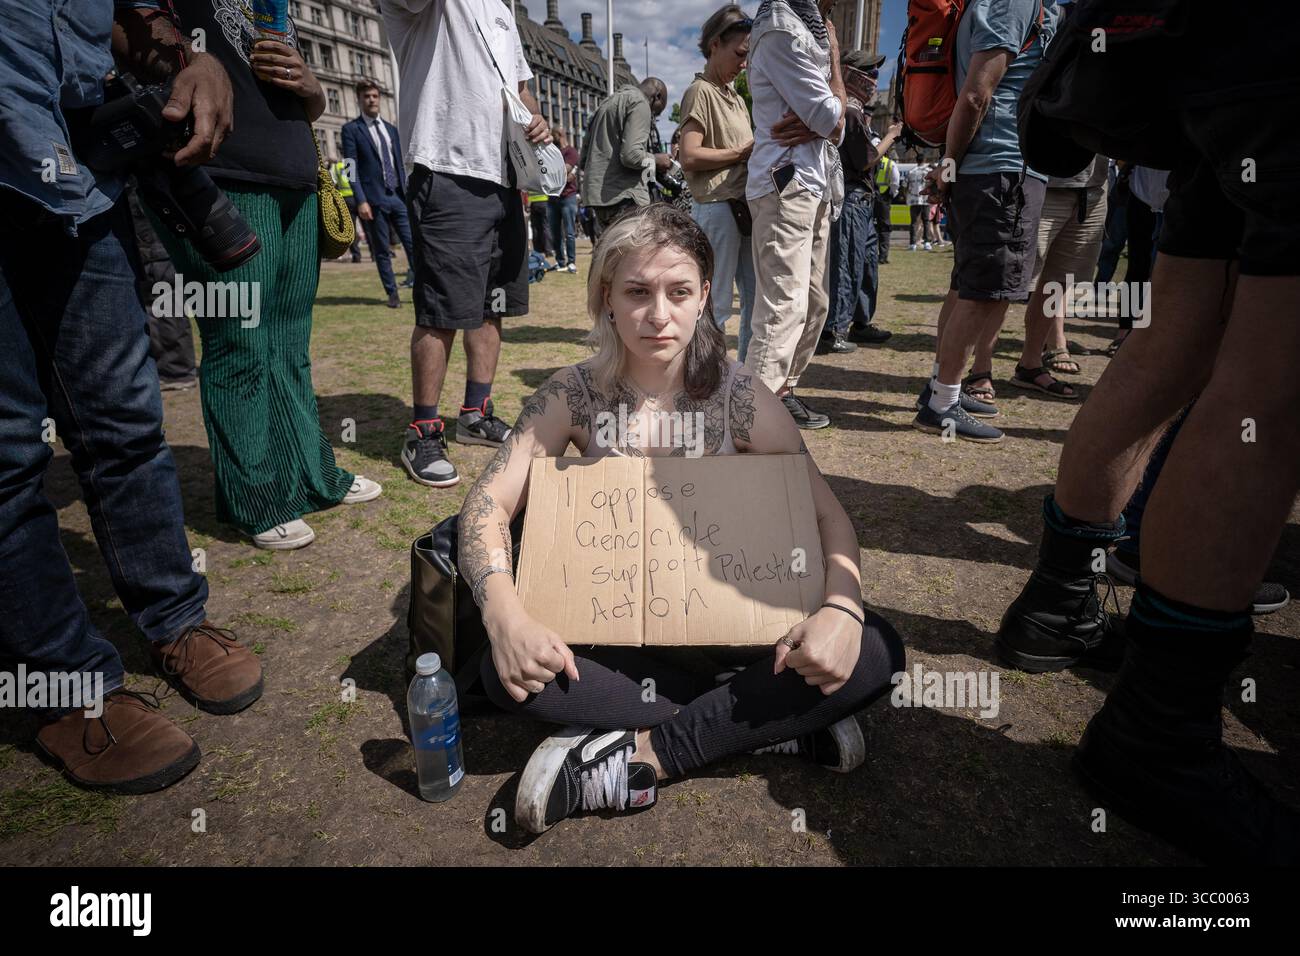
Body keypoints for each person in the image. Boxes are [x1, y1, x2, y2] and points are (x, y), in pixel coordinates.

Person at [455, 204, 904, 833]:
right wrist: (504, 615)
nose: (658, 315)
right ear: (605, 298)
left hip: (743, 641)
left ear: (703, 299)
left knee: (876, 652)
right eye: (637, 292)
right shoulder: (572, 393)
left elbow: (829, 517)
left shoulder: (743, 397)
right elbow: (488, 502)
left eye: (678, 292)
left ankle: (637, 758)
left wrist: (842, 610)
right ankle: (772, 726)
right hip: (619, 645)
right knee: (511, 677)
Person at [997, 1, 1299, 864]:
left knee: (1177, 340)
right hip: (1272, 59)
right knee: (1272, 376)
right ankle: (1158, 732)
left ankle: (1057, 606)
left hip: (1222, 53)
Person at [1, 0, 263, 795]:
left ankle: (176, 620)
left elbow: (130, 15)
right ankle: (63, 686)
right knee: (9, 454)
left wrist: (193, 57)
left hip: (80, 168)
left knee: (125, 423)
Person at [140, 0, 382, 551]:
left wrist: (312, 85)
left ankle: (314, 476)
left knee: (291, 342)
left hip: (294, 173)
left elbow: (309, 102)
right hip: (215, 170)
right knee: (239, 341)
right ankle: (256, 496)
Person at [381, 0, 550, 489]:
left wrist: (534, 121)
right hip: (447, 168)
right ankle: (423, 429)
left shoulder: (503, 12)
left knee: (491, 303)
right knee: (442, 308)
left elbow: (521, 93)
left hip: (504, 175)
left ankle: (475, 413)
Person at [911, 0, 1057, 444]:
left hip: (993, 168)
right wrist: (949, 164)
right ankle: (943, 404)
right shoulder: (1013, 2)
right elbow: (977, 93)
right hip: (1003, 168)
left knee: (968, 286)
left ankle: (941, 388)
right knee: (986, 291)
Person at [744, 0, 847, 430]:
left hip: (813, 182)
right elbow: (830, 116)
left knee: (815, 303)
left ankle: (782, 392)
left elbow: (834, 124)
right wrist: (836, 80)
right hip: (786, 185)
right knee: (783, 303)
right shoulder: (781, 27)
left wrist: (831, 117)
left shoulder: (809, 28)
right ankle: (750, 415)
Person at [678, 5, 757, 362]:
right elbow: (689, 156)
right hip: (716, 208)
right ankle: (705, 375)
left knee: (756, 299)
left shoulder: (737, 98)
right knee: (717, 301)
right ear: (714, 45)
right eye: (740, 52)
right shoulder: (700, 91)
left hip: (743, 208)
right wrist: (739, 153)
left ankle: (741, 376)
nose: (744, 62)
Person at [822, 49, 899, 354]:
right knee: (846, 265)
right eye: (869, 73)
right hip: (851, 198)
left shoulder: (857, 111)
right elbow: (866, 160)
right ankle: (834, 330)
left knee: (866, 264)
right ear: (850, 73)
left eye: (876, 74)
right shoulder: (850, 112)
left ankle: (861, 322)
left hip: (863, 201)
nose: (873, 80)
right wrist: (890, 136)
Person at [342, 80, 416, 308]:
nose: (372, 100)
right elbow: (350, 166)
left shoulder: (391, 130)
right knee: (382, 250)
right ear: (360, 100)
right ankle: (392, 294)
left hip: (398, 197)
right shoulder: (351, 130)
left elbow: (401, 163)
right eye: (367, 96)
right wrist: (360, 199)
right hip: (373, 200)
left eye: (375, 96)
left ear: (379, 98)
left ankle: (421, 288)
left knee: (413, 245)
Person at [579, 77, 672, 234]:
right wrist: (657, 160)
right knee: (633, 255)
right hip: (624, 197)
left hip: (598, 197)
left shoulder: (605, 104)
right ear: (656, 97)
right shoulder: (640, 103)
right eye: (655, 113)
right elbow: (631, 155)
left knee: (611, 255)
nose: (652, 117)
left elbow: (583, 159)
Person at [547, 128, 581, 274]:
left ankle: (571, 262)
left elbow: (564, 170)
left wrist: (556, 173)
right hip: (553, 197)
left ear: (560, 135)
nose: (550, 137)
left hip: (568, 197)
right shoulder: (552, 152)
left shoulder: (571, 152)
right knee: (555, 232)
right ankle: (560, 262)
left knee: (569, 231)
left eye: (552, 134)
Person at [330, 157, 364, 263]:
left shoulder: (336, 167)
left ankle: (356, 255)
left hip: (345, 200)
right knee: (367, 226)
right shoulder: (353, 164)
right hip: (358, 197)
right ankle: (374, 253)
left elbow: (333, 182)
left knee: (351, 228)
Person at [873, 148, 898, 263]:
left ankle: (870, 254)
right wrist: (891, 195)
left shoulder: (870, 161)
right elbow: (895, 182)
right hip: (884, 198)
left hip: (870, 196)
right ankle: (883, 256)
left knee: (870, 226)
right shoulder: (890, 163)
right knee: (885, 227)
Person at [904, 162, 930, 250]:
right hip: (925, 200)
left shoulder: (911, 172)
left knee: (913, 222)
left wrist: (907, 195)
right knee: (926, 221)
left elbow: (904, 185)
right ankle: (927, 243)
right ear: (924, 160)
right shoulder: (928, 171)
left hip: (913, 199)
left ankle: (912, 244)